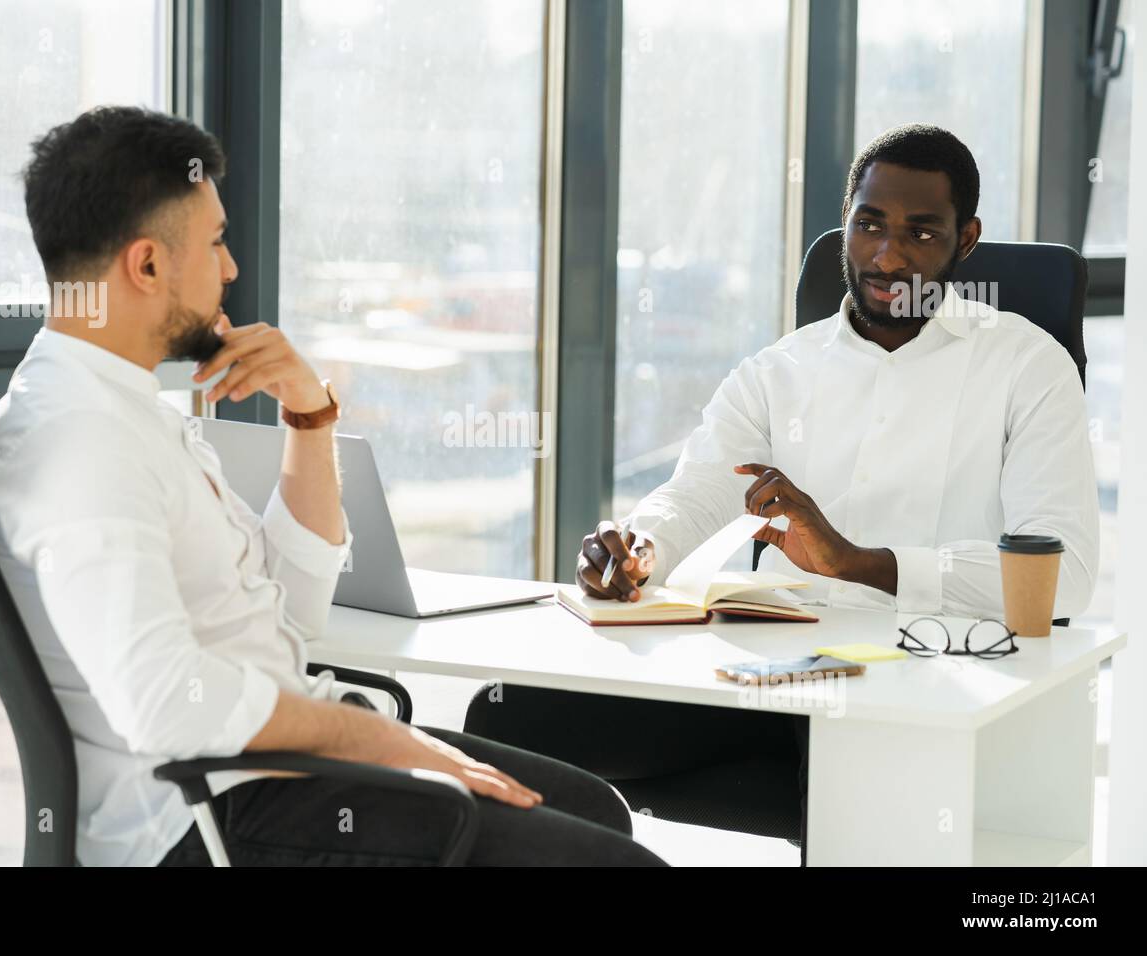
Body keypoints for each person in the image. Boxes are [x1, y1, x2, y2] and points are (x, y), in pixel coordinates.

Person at [0, 106, 665, 867]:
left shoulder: (122, 403)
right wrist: (380, 737)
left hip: (263, 769)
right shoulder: (82, 443)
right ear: (146, 266)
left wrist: (310, 418)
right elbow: (167, 705)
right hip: (211, 816)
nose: (231, 268)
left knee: (594, 808)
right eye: (214, 243)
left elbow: (291, 613)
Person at [464, 124, 1100, 860]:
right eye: (868, 225)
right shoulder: (777, 372)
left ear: (966, 241)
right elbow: (697, 495)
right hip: (764, 682)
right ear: (845, 223)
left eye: (921, 233)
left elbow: (1068, 580)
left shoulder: (1027, 368)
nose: (887, 255)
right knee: (509, 724)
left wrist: (858, 562)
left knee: (873, 795)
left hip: (929, 693)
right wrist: (639, 548)